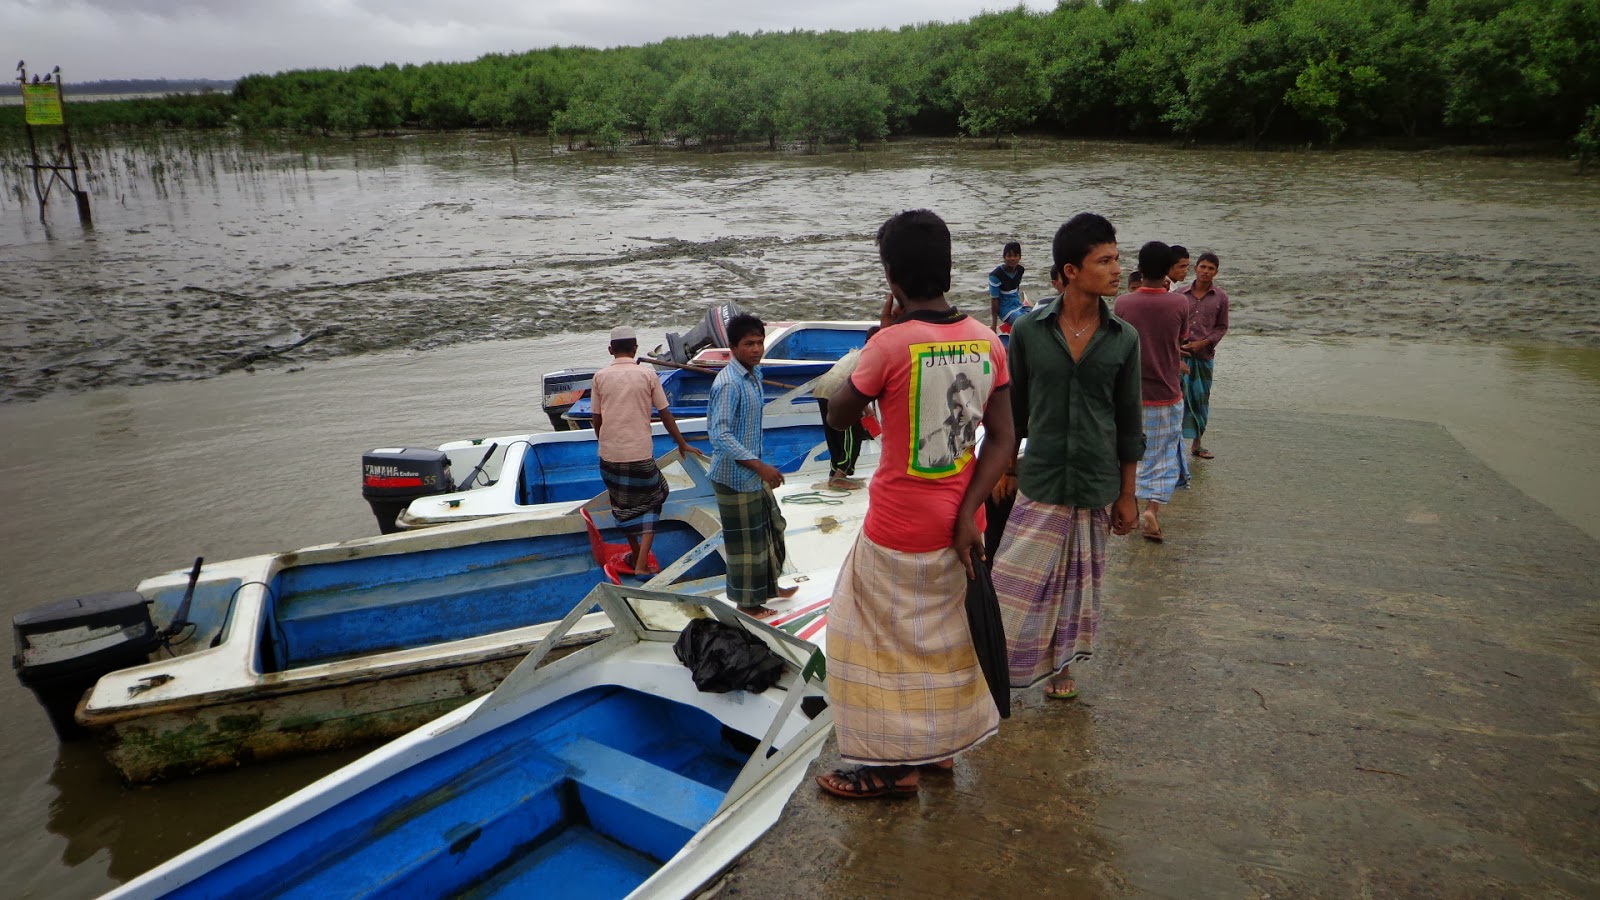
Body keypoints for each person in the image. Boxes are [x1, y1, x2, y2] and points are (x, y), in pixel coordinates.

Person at [815, 209, 1015, 800]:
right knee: (943, 639)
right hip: (963, 526)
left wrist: (877, 340)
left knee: (866, 638)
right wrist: (964, 512)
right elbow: (1002, 438)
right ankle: (941, 754)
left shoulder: (889, 344)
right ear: (947, 269)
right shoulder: (987, 340)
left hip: (897, 525)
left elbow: (838, 414)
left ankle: (892, 766)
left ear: (891, 278)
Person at [992, 213, 1142, 703]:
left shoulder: (1124, 338)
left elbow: (1128, 421)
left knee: (1077, 585)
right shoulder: (1029, 331)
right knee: (1010, 582)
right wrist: (1008, 466)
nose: (1117, 268)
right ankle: (997, 663)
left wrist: (1127, 495)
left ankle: (1061, 666)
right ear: (1071, 270)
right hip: (1041, 476)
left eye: (1117, 259)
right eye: (1105, 260)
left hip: (1096, 480)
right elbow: (1015, 408)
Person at [590, 325, 704, 573]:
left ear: (611, 350)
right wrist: (681, 443)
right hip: (640, 454)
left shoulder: (599, 377)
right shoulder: (648, 375)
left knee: (621, 504)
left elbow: (596, 418)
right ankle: (641, 563)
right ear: (635, 349)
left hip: (609, 454)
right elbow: (665, 414)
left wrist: (604, 440)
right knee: (656, 497)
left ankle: (635, 552)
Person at [708, 313, 799, 617]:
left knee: (770, 530)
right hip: (734, 475)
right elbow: (720, 434)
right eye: (749, 344)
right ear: (732, 347)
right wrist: (760, 466)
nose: (757, 349)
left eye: (760, 342)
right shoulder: (730, 383)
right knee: (745, 545)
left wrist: (759, 467)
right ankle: (748, 604)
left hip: (752, 472)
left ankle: (769, 587)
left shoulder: (753, 376)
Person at [1114, 241, 1191, 542]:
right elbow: (1180, 340)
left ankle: (1128, 504)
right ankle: (1151, 511)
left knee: (1132, 453)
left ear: (1140, 269)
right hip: (1166, 391)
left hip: (1130, 394)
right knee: (1163, 457)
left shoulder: (1123, 303)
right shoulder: (1179, 303)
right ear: (1169, 270)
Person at [810, 326, 881, 490]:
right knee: (853, 437)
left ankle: (834, 474)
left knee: (835, 437)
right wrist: (867, 412)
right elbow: (857, 387)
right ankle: (840, 477)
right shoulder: (870, 358)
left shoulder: (856, 353)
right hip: (837, 394)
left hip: (823, 391)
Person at [1178, 252, 1230, 459]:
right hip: (1180, 355)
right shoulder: (1181, 294)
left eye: (1211, 268)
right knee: (1178, 399)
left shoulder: (1221, 297)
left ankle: (1197, 445)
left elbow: (1221, 327)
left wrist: (1203, 343)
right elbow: (1172, 324)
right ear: (1195, 268)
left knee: (1201, 398)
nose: (1206, 271)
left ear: (1216, 272)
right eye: (1203, 267)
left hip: (1204, 357)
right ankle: (1175, 443)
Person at [988, 240, 1027, 331]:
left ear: (1019, 257)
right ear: (1004, 257)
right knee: (1024, 323)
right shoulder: (995, 275)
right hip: (1006, 311)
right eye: (1009, 256)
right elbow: (994, 300)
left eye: (1015, 256)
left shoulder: (1020, 270)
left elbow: (1016, 288)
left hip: (1018, 305)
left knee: (1038, 316)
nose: (1012, 259)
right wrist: (994, 325)